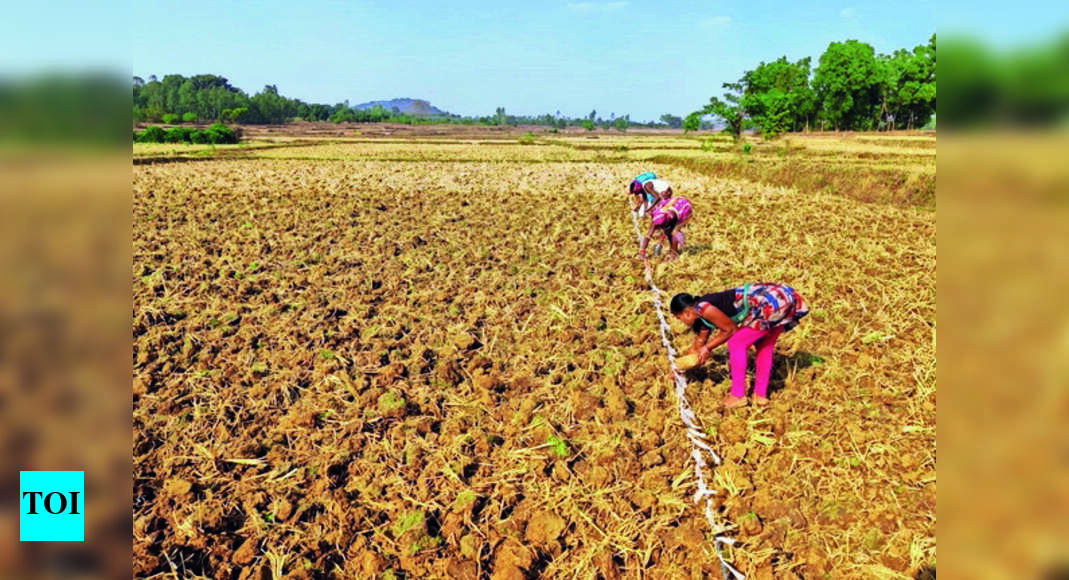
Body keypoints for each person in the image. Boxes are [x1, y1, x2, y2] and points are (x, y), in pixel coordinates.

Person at [669, 283, 808, 408]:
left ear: (686, 312)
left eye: (678, 318)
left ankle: (737, 395)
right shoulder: (703, 319)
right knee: (764, 346)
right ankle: (759, 395)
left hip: (770, 301)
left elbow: (730, 330)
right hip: (783, 297)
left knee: (736, 343)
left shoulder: (702, 308)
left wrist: (707, 348)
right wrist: (677, 369)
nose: (680, 322)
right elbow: (697, 346)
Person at [636, 179, 691, 262]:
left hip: (683, 209)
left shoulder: (673, 217)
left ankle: (674, 254)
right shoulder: (656, 217)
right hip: (667, 210)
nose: (659, 228)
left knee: (672, 232)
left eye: (662, 226)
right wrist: (642, 251)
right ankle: (671, 250)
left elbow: (673, 232)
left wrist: (666, 233)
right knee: (666, 231)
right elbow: (648, 235)